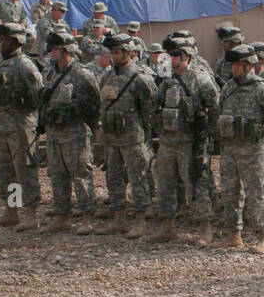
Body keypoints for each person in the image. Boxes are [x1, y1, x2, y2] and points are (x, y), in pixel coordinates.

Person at [216, 43, 264, 253]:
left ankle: (263, 236)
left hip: (253, 151)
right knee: (230, 193)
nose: (234, 68)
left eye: (239, 64)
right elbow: (220, 112)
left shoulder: (261, 89)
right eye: (233, 64)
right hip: (230, 150)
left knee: (258, 193)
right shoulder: (228, 88)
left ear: (250, 65)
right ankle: (233, 234)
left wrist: (263, 137)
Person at [148, 38, 219, 245]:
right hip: (168, 142)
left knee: (196, 183)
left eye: (175, 55)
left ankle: (205, 228)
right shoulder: (166, 80)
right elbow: (155, 107)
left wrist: (208, 138)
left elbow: (215, 108)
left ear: (186, 56)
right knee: (165, 184)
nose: (171, 58)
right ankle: (168, 227)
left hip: (191, 142)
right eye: (169, 54)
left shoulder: (200, 79)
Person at [0, 23, 44, 232]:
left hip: (20, 124)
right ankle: (11, 210)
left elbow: (38, 97)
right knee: (5, 171)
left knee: (24, 169)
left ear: (18, 42)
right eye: (2, 40)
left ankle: (30, 213)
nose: (3, 44)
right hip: (0, 123)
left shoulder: (25, 66)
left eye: (8, 40)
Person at [40, 31, 102, 235]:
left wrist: (72, 112)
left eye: (56, 49)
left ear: (66, 50)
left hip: (75, 132)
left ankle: (87, 216)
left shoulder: (81, 73)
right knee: (57, 174)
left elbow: (94, 104)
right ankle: (62, 216)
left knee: (80, 174)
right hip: (54, 132)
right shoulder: (50, 72)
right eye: (52, 49)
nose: (52, 52)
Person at [98, 33, 158, 238]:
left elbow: (150, 110)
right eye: (112, 52)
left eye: (117, 52)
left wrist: (146, 136)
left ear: (128, 53)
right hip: (111, 138)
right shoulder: (107, 76)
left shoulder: (140, 78)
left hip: (133, 137)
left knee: (137, 177)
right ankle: (119, 219)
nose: (114, 56)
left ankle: (140, 220)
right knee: (113, 177)